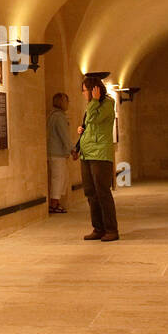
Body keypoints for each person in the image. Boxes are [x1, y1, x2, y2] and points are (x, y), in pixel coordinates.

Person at [74, 76, 119, 240]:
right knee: (90, 192)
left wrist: (94, 101)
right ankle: (98, 228)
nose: (83, 94)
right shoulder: (92, 106)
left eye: (85, 90)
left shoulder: (107, 103)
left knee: (102, 192)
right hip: (86, 153)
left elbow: (94, 119)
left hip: (100, 153)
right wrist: (82, 130)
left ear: (94, 89)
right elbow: (90, 124)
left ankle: (111, 229)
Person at [46, 92, 72, 213]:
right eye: (66, 101)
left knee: (60, 178)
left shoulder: (52, 115)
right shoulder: (59, 116)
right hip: (58, 153)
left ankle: (56, 202)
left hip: (54, 152)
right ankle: (54, 204)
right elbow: (64, 135)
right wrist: (72, 150)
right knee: (58, 178)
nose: (68, 104)